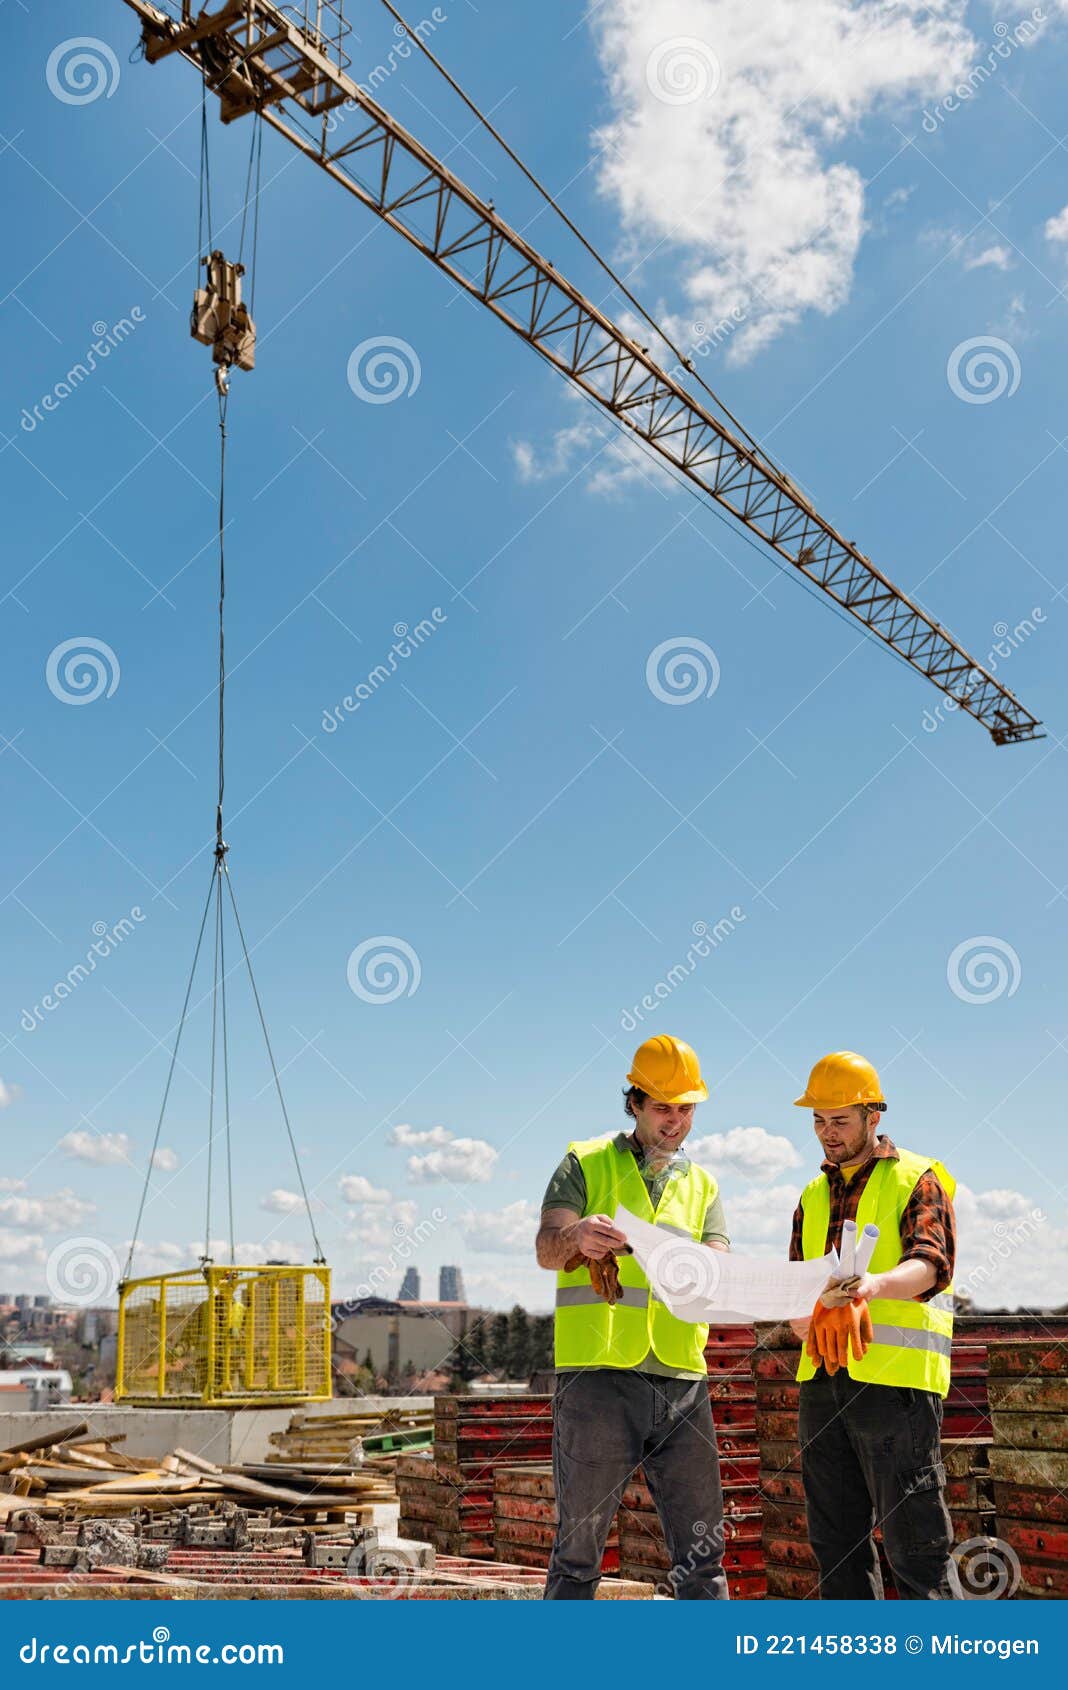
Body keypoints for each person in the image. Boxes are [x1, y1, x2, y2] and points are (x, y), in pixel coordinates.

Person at [535, 1033, 730, 1599]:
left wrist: (707, 1267)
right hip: (599, 1379)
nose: (676, 1122)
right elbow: (548, 1248)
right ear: (635, 1103)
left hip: (682, 1381)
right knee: (578, 1552)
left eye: (686, 1109)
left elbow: (720, 1264)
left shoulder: (703, 1185)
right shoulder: (585, 1162)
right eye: (663, 1108)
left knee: (703, 1558)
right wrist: (576, 1235)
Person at [788, 1050, 961, 1600]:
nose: (827, 1133)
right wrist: (804, 1314)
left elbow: (930, 1263)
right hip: (822, 1384)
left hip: (896, 1387)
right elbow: (797, 1290)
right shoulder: (811, 1197)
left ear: (873, 1116)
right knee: (836, 1549)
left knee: (917, 1551)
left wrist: (871, 1287)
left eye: (839, 1120)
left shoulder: (917, 1178)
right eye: (818, 1120)